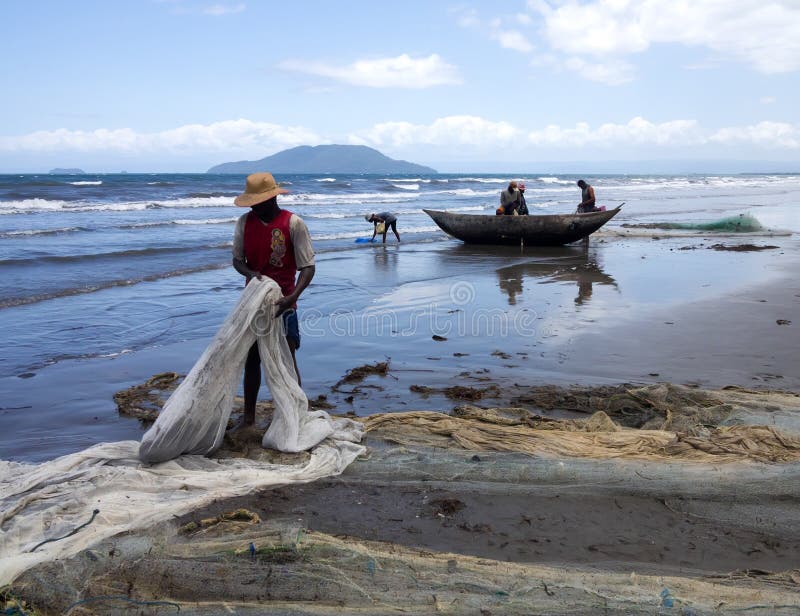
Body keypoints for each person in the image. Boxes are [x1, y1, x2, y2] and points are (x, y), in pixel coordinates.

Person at [232, 172, 316, 427]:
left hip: (285, 304)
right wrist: (250, 273)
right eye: (252, 203)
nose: (255, 206)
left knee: (287, 359)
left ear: (272, 199)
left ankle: (295, 414)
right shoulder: (244, 223)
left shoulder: (293, 223)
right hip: (253, 303)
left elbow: (308, 266)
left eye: (258, 201)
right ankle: (248, 417)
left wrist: (292, 297)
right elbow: (237, 261)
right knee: (252, 360)